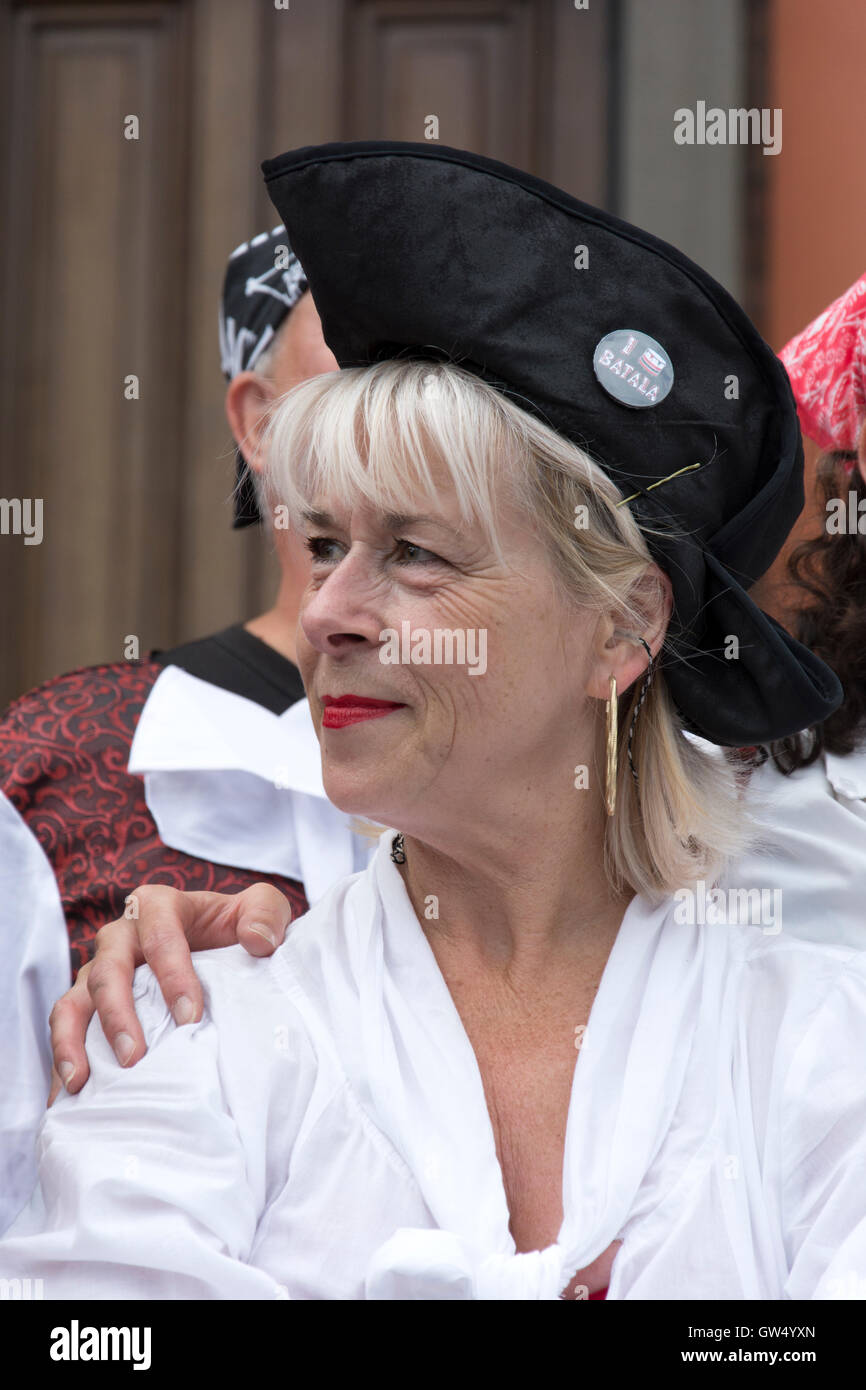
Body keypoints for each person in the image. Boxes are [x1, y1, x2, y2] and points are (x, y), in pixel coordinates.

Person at [4, 139, 861, 1301]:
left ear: (619, 629)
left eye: (412, 553)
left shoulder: (816, 1052)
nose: (330, 612)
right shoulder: (195, 1031)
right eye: (321, 544)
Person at [0, 226, 369, 1236]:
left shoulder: (565, 753)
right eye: (359, 343)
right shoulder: (56, 762)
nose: (402, 392)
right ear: (257, 420)